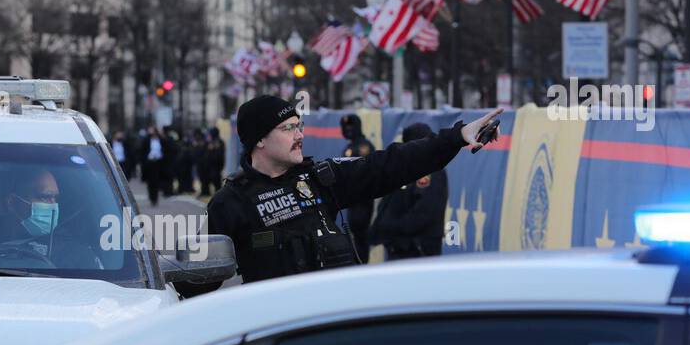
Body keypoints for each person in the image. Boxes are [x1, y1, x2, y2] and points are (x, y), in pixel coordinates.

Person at [178, 95, 499, 294]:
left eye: (299, 126)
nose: (299, 135)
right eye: (288, 129)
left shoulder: (321, 179)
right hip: (277, 337)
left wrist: (455, 137)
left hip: (334, 327)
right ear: (258, 141)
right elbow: (198, 279)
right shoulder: (231, 202)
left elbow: (391, 165)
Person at [369, 121, 451, 260]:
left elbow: (425, 211)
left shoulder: (432, 170)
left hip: (418, 248)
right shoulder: (408, 169)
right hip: (400, 246)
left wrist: (393, 228)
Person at [339, 113, 375, 262]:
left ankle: (361, 265)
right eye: (345, 127)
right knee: (355, 235)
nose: (348, 130)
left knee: (360, 234)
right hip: (353, 199)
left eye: (351, 127)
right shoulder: (350, 146)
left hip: (362, 199)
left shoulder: (363, 147)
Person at [140, 127, 165, 205]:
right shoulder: (147, 140)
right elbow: (142, 151)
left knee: (157, 181)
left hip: (158, 163)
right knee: (150, 181)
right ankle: (151, 197)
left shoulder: (161, 140)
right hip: (149, 163)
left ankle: (155, 198)